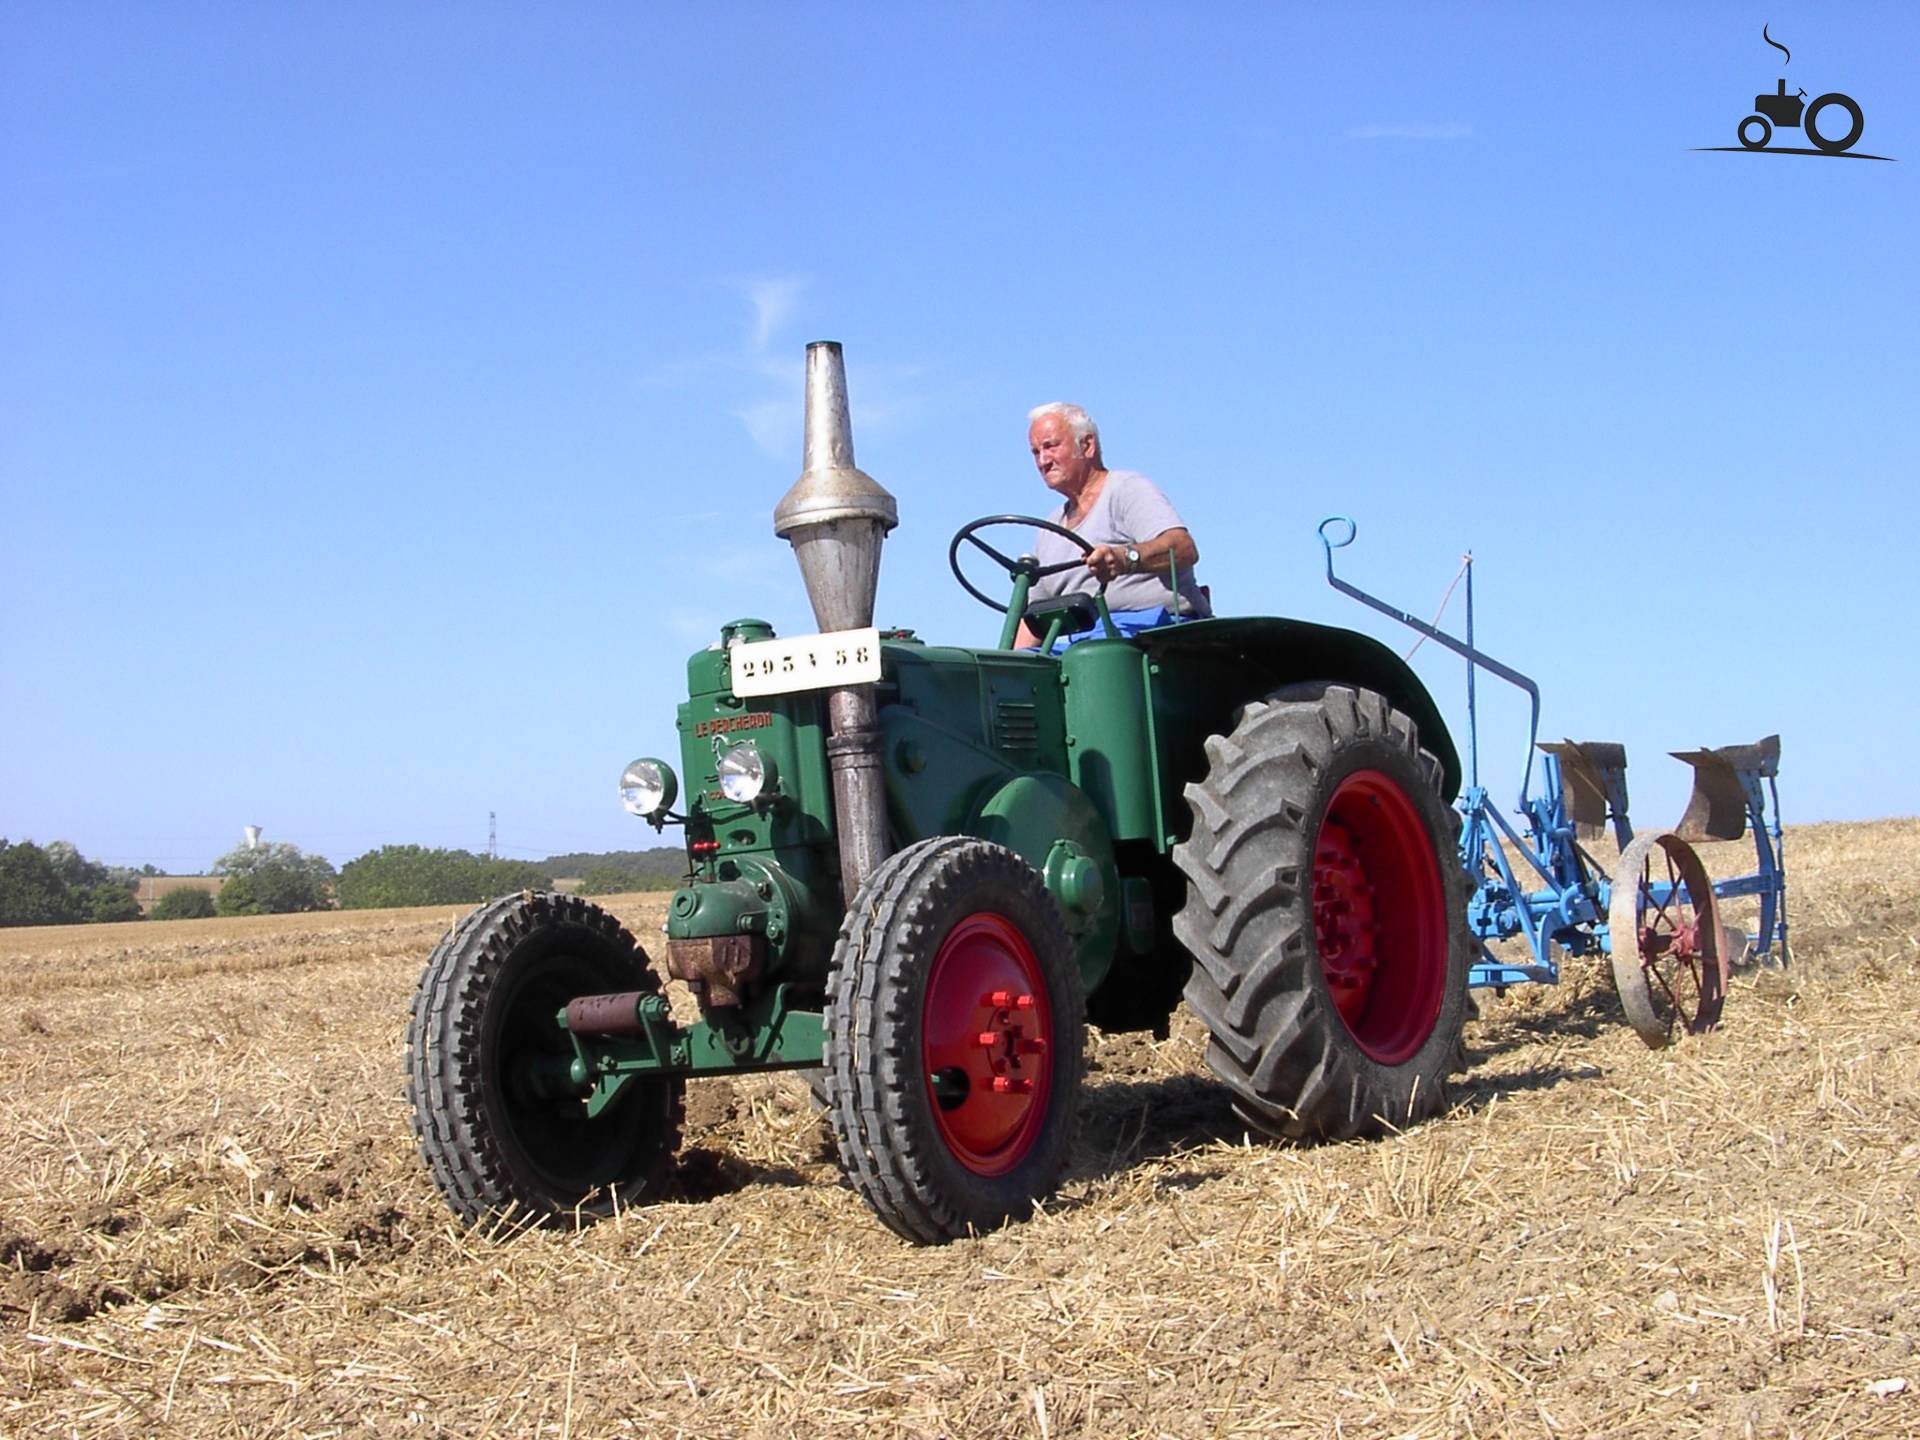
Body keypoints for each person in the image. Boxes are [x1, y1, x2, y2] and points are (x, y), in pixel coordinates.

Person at [1015, 402, 1209, 649]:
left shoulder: (1126, 490)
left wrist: (1124, 558)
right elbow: (1034, 620)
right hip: (1087, 644)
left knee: (1093, 655)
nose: (1043, 461)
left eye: (1051, 446)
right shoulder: (1050, 530)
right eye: (1035, 452)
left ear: (1086, 445)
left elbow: (1183, 549)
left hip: (1153, 635)